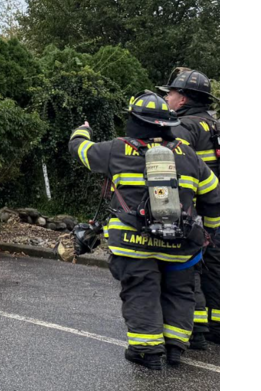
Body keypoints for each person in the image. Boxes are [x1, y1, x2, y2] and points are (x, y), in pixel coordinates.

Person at [69, 91, 219, 369]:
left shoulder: (116, 148)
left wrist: (82, 130)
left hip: (132, 242)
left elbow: (80, 150)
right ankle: (175, 348)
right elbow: (214, 198)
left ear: (134, 120)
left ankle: (147, 352)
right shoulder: (187, 154)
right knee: (180, 292)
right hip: (181, 244)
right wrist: (208, 235)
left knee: (141, 290)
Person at [160, 69, 220, 347]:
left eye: (170, 93)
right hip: (217, 206)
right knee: (215, 265)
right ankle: (217, 324)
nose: (167, 98)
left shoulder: (183, 127)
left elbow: (177, 166)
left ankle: (195, 328)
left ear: (182, 99)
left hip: (195, 208)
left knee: (190, 265)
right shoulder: (215, 125)